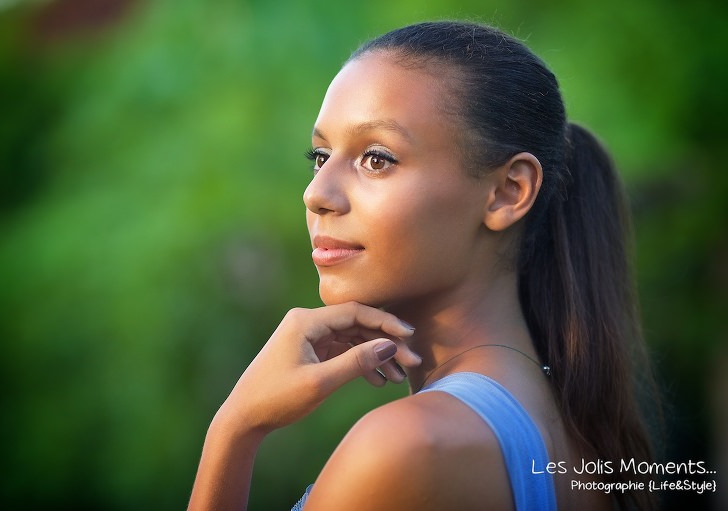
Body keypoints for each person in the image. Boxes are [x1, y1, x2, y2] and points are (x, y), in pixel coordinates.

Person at [187, 21, 657, 511]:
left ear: (508, 192)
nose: (316, 194)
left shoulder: (408, 446)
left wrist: (234, 428)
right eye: (320, 156)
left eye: (376, 158)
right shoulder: (582, 440)